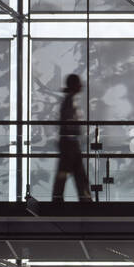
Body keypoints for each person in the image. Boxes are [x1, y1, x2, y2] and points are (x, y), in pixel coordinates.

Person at [52, 73, 92, 202]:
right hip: (70, 143)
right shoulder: (70, 102)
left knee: (72, 174)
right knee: (73, 174)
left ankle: (60, 200)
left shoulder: (69, 100)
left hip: (70, 142)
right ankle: (85, 200)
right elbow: (70, 123)